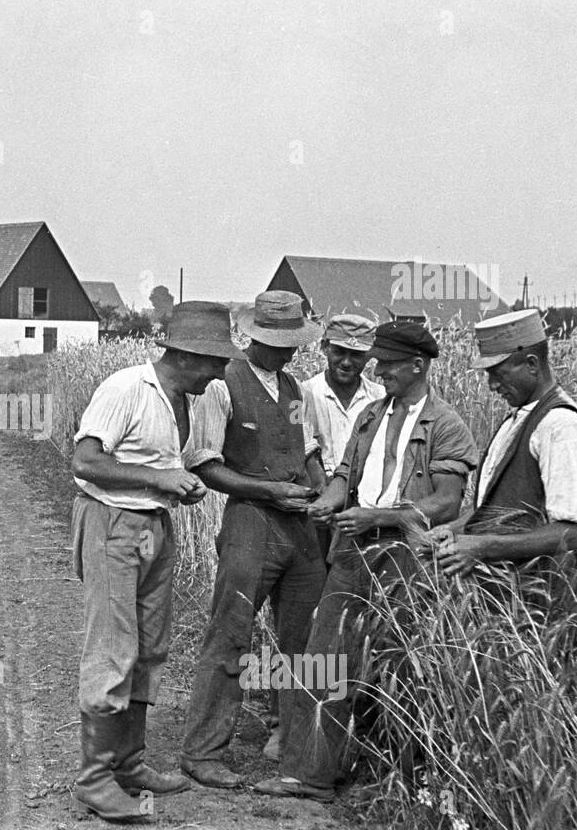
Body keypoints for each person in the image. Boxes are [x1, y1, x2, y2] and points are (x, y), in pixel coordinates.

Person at [253, 320, 477, 801]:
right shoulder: (371, 416)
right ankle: (309, 775)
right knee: (325, 658)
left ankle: (392, 782)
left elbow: (447, 502)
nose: (378, 371)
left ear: (418, 366)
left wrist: (376, 514)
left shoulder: (447, 424)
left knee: (398, 666)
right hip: (353, 552)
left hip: (405, 557)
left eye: (389, 364)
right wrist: (327, 502)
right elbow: (344, 477)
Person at [68, 301, 245, 823]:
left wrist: (174, 484)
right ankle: (95, 779)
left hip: (154, 527)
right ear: (188, 355)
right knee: (113, 646)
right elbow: (85, 460)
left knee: (150, 645)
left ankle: (130, 763)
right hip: (112, 524)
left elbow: (159, 469)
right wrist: (159, 480)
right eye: (215, 362)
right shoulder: (126, 389)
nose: (220, 372)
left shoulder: (187, 398)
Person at [179, 290, 327, 787]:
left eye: (293, 344)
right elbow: (205, 465)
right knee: (231, 634)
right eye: (278, 342)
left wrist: (320, 492)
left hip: (300, 524)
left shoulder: (295, 390)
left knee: (306, 642)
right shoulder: (223, 385)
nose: (288, 352)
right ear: (253, 336)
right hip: (250, 522)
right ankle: (203, 753)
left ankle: (299, 751)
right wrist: (267, 490)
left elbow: (306, 451)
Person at [431, 308, 577, 584]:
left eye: (498, 373)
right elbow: (503, 507)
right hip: (500, 592)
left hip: (532, 600)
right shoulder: (520, 415)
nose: (492, 385)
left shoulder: (559, 426)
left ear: (532, 364)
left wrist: (483, 548)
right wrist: (455, 529)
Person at [300, 315, 383, 559]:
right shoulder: (301, 393)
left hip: (364, 507)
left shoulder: (380, 397)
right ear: (324, 347)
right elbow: (298, 443)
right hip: (317, 502)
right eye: (339, 352)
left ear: (369, 356)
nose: (347, 362)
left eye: (356, 355)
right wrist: (324, 494)